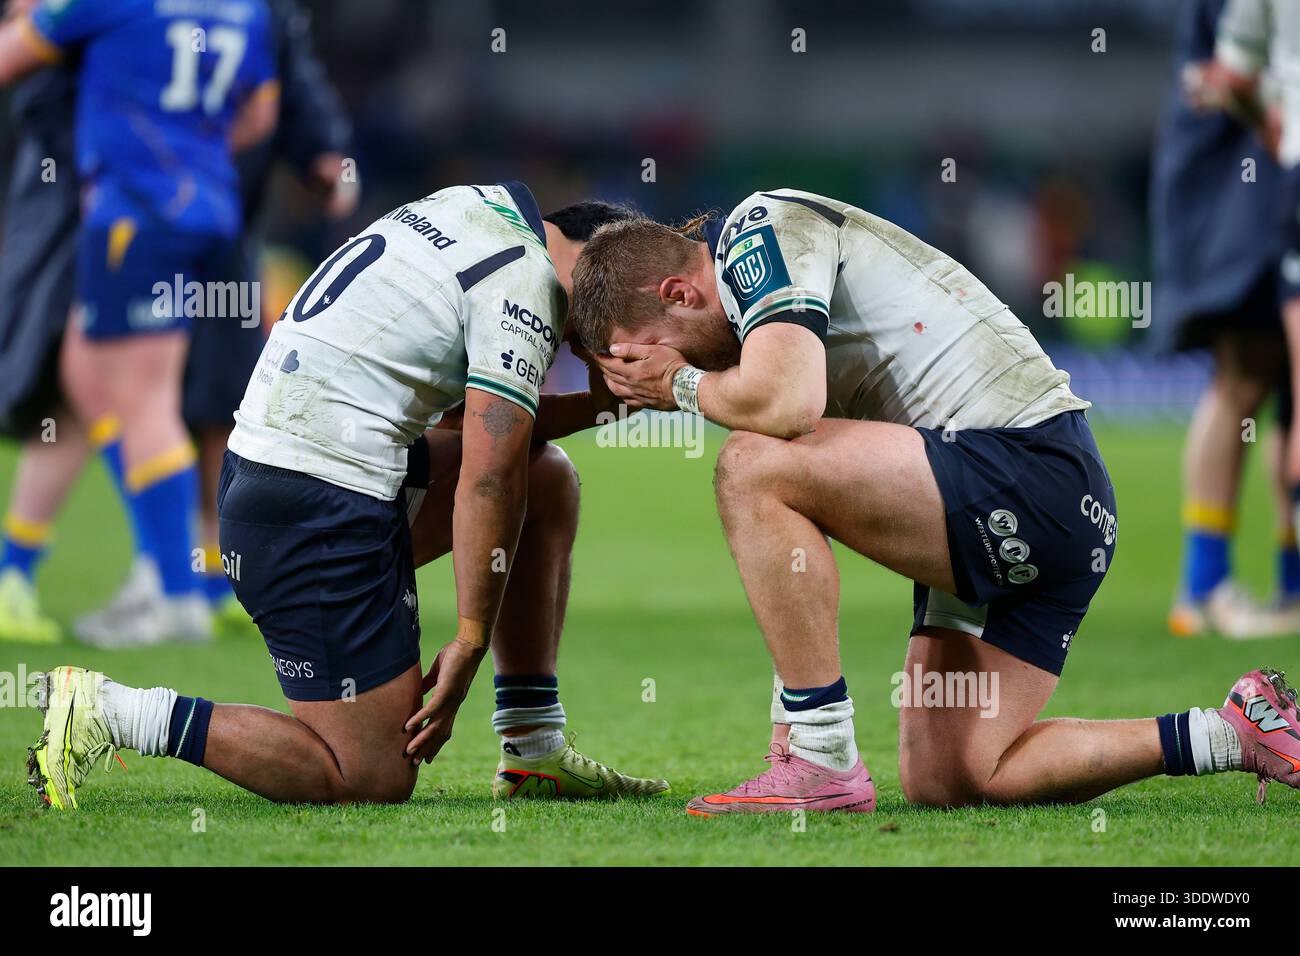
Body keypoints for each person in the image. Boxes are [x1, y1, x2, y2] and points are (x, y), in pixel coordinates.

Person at [569, 189, 1300, 813]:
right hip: (1035, 506)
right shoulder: (750, 297)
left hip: (1023, 469)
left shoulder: (760, 230)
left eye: (654, 354)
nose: (668, 375)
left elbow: (787, 403)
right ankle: (1233, 732)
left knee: (751, 466)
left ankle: (822, 760)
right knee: (953, 774)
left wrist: (680, 385)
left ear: (678, 293)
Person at [27, 183, 670, 809]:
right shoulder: (525, 281)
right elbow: (487, 475)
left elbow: (474, 432)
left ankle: (533, 749)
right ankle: (114, 710)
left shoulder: (475, 207)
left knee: (547, 477)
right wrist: (469, 641)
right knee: (366, 776)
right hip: (313, 508)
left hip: (301, 477)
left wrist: (599, 403)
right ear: (594, 256)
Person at [76, 0, 360, 643]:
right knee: (128, 392)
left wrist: (326, 153)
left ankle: (195, 574)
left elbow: (292, 87)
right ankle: (169, 571)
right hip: (160, 210)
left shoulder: (261, 15)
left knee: (208, 398)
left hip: (194, 220)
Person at [0, 0, 281, 645]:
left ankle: (174, 596)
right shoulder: (246, 9)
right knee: (88, 373)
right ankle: (174, 575)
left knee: (144, 402)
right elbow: (260, 114)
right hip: (213, 210)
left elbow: (13, 57)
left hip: (137, 218)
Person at [1156, 0, 1299, 639]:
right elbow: (1223, 76)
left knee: (1290, 391)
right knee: (1244, 373)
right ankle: (1203, 585)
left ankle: (1290, 588)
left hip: (1260, 180)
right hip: (1237, 189)